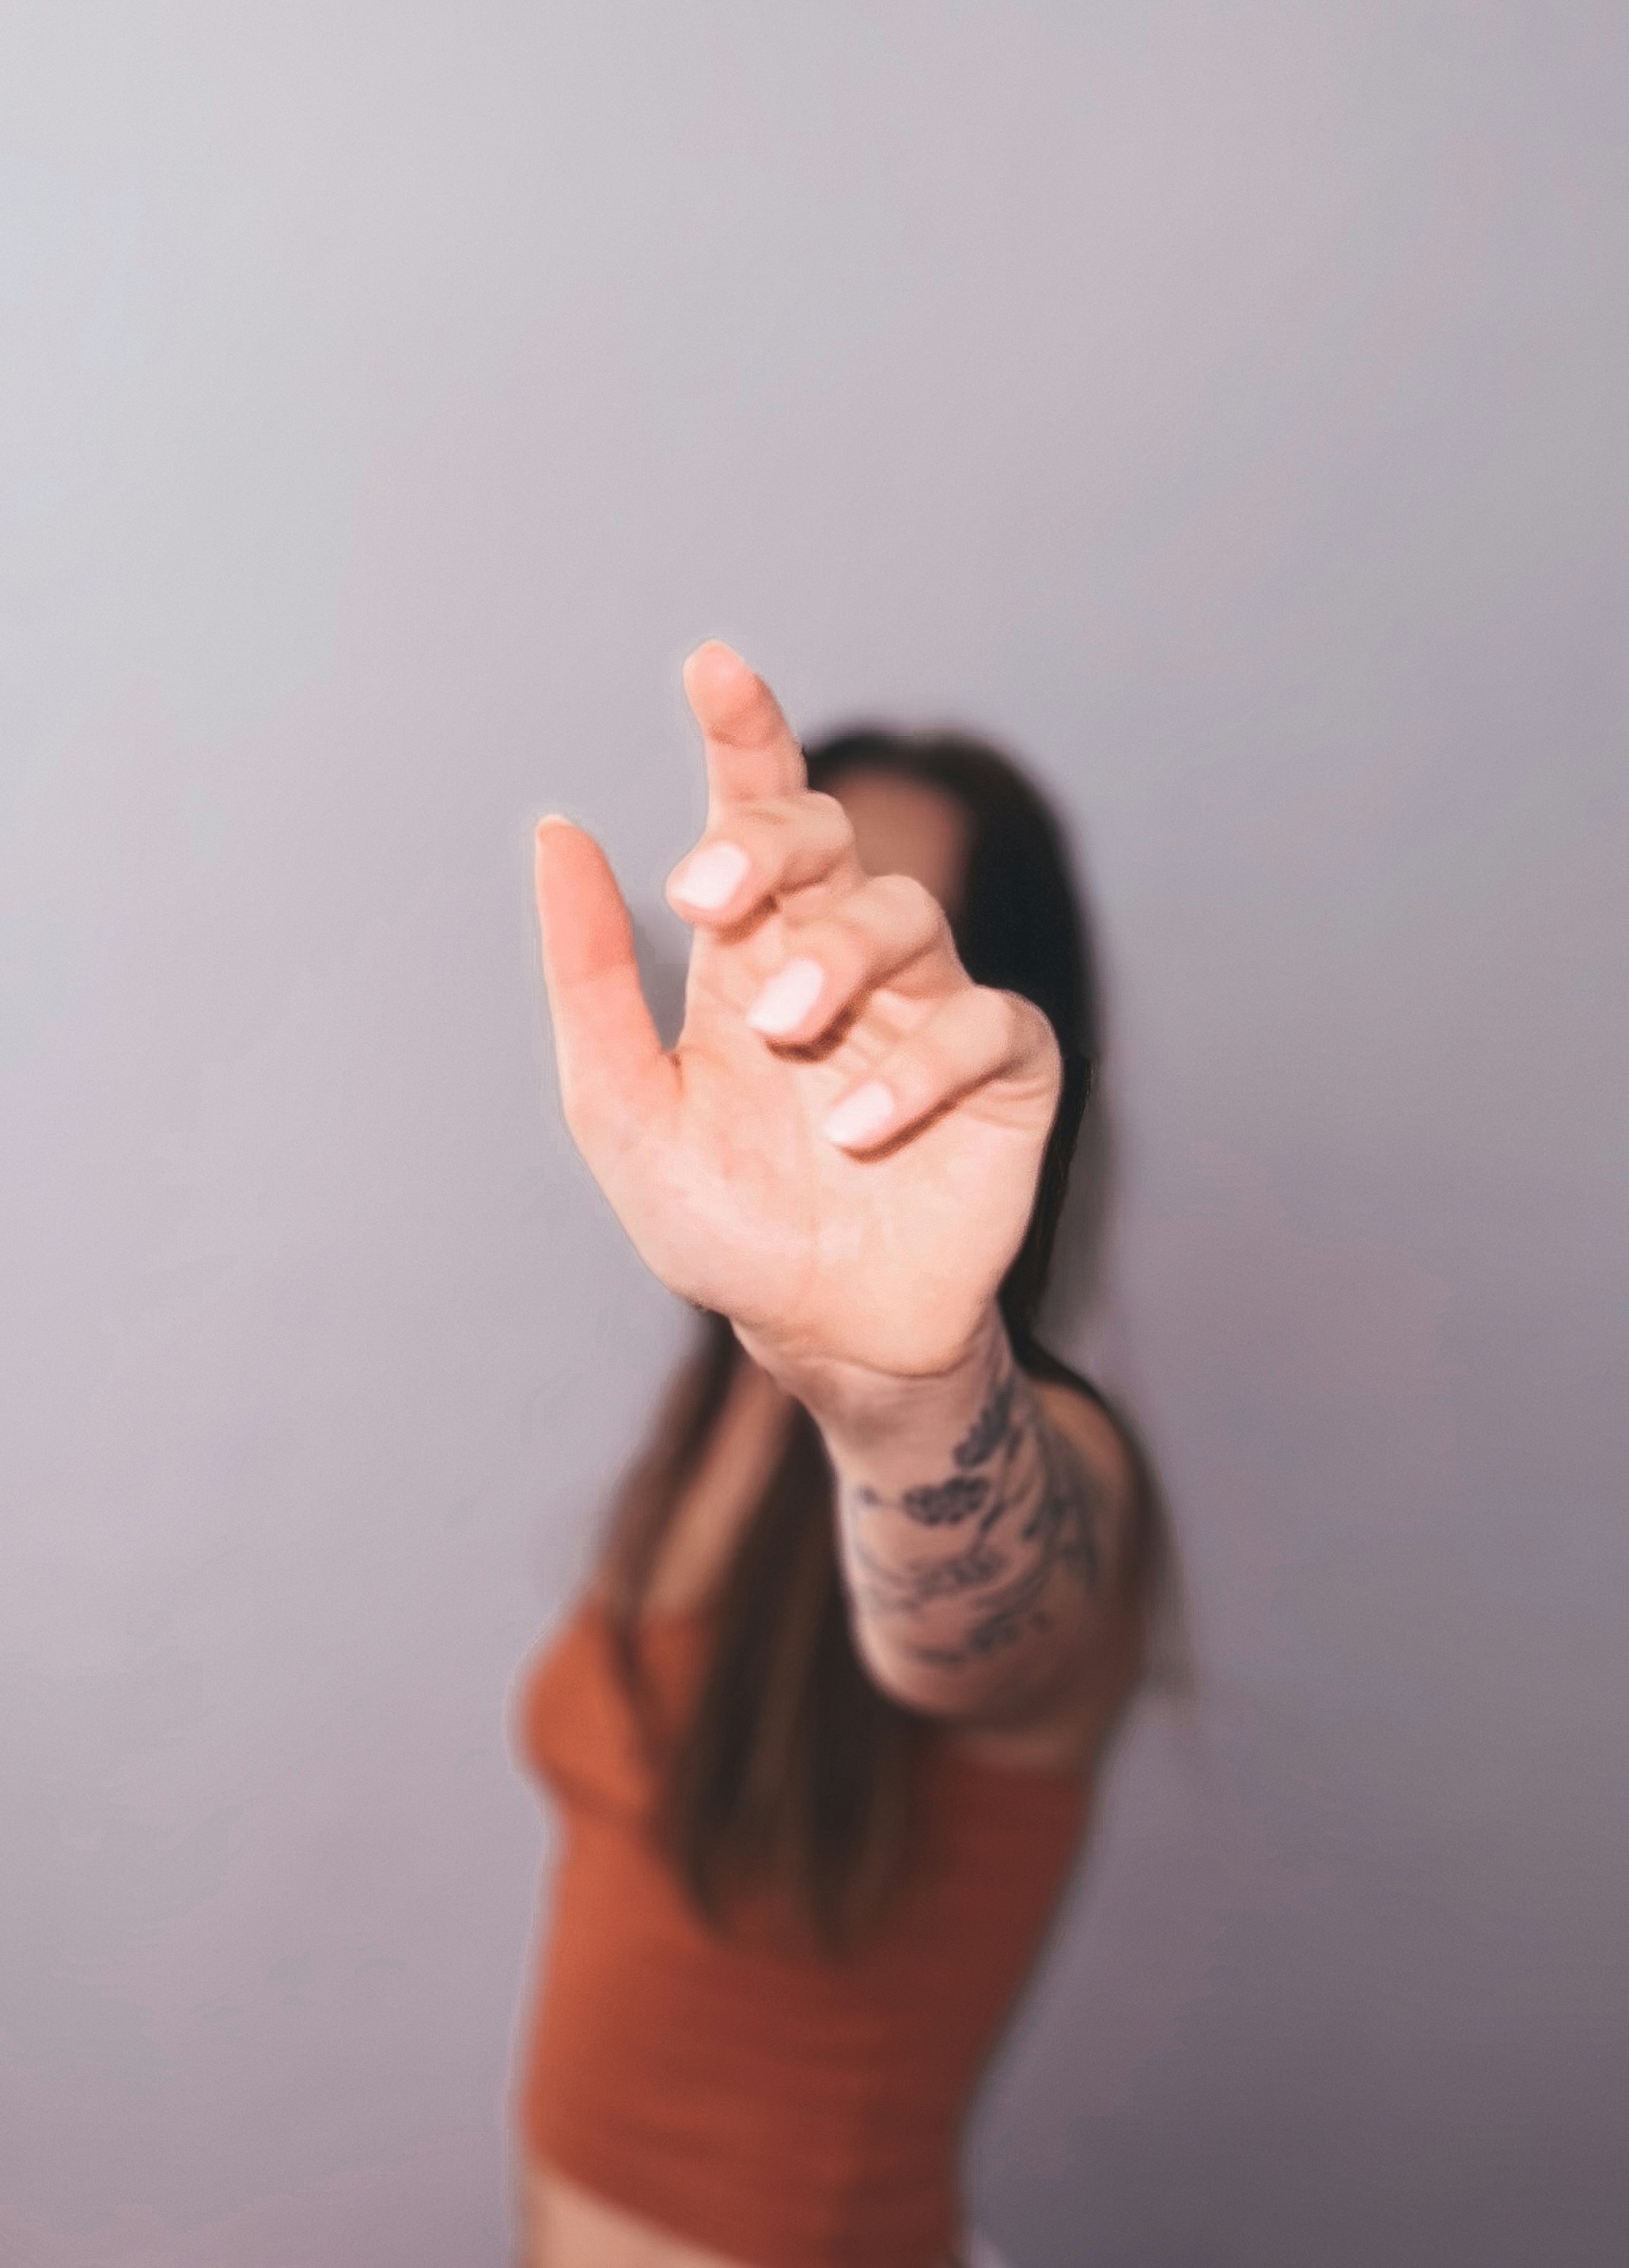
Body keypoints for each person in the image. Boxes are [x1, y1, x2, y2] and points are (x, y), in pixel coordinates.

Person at [510, 643, 1174, 2268]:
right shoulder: (727, 1405)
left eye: (880, 947)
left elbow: (980, 1627)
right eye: (780, 929)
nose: (798, 993)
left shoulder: (1044, 1449)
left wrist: (916, 1392)